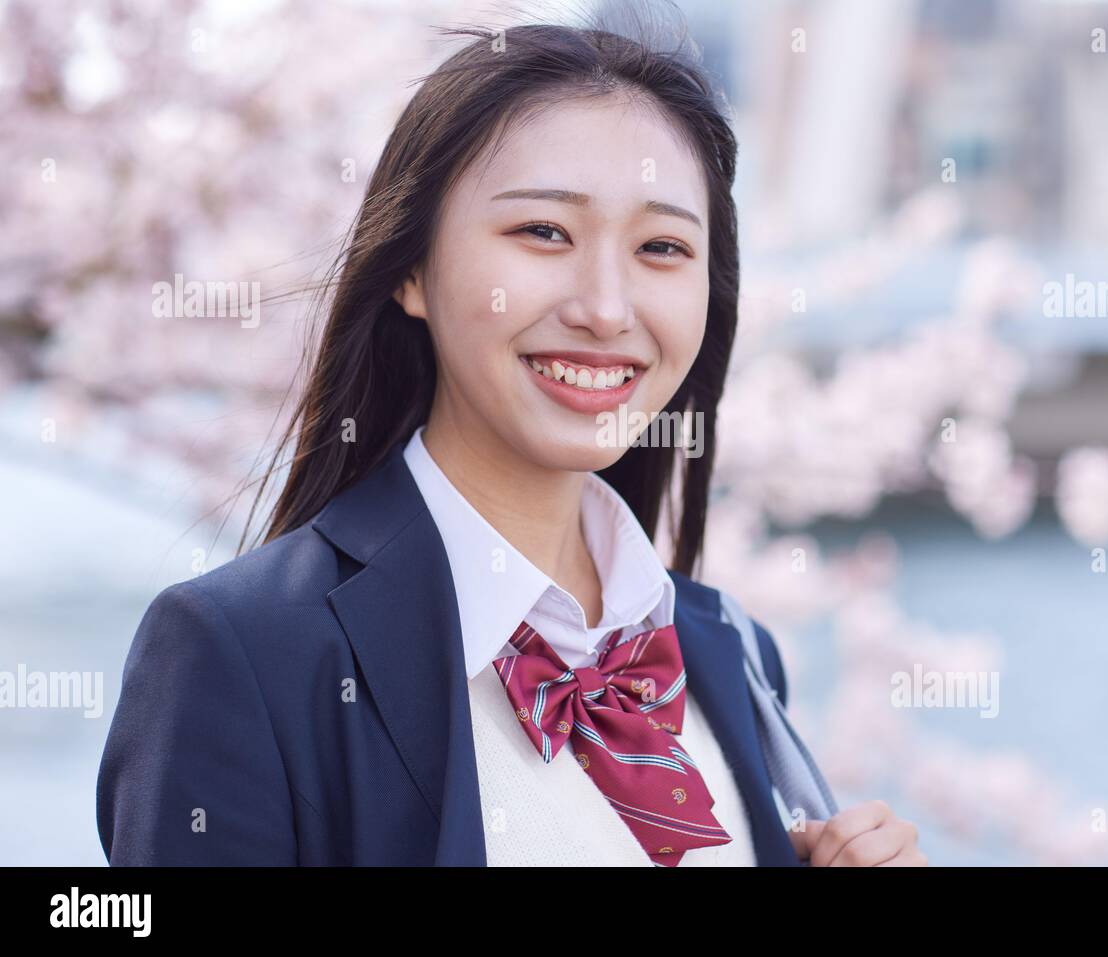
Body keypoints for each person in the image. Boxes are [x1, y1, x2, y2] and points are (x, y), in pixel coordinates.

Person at [96, 12, 926, 868]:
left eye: (663, 246)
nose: (606, 308)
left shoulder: (731, 649)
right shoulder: (244, 653)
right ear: (411, 269)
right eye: (543, 232)